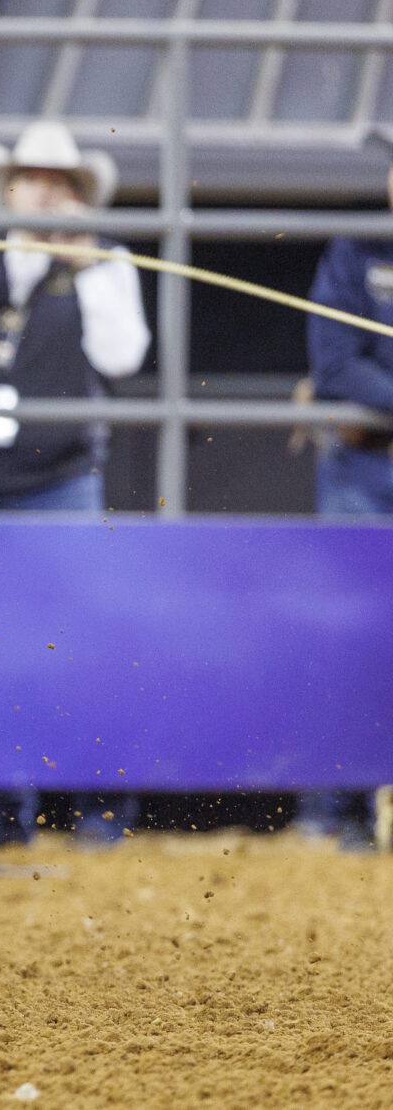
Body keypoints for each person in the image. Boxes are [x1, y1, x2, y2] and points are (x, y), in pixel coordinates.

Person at [0, 119, 150, 847]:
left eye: (57, 182)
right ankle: (3, 809)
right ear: (10, 187)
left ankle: (100, 807)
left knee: (76, 638)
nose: (43, 192)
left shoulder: (105, 261)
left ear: (77, 195)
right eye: (30, 179)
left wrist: (86, 266)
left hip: (60, 477)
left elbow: (122, 356)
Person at [298, 137, 393, 851]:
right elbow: (333, 364)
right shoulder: (355, 251)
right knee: (351, 636)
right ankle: (340, 808)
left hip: (365, 455)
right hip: (364, 465)